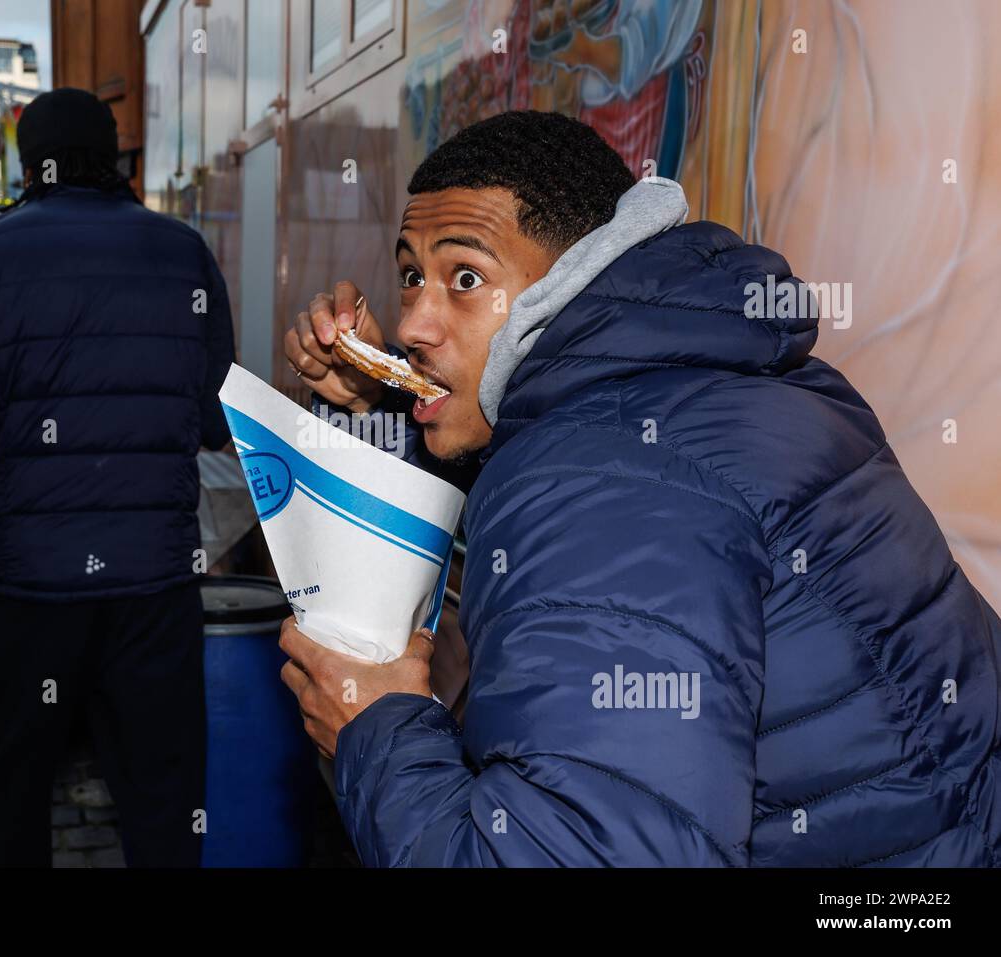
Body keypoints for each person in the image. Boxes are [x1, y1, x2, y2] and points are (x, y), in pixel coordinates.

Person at [280, 110, 1001, 866]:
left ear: (571, 273)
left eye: (465, 278)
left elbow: (574, 853)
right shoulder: (728, 378)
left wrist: (378, 728)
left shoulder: (599, 482)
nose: (417, 323)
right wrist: (378, 406)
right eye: (409, 275)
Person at [0, 88, 234, 867]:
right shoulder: (184, 250)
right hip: (154, 583)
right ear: (115, 159)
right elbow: (213, 419)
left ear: (32, 163)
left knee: (20, 785)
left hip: (30, 586)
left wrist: (36, 440)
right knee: (162, 794)